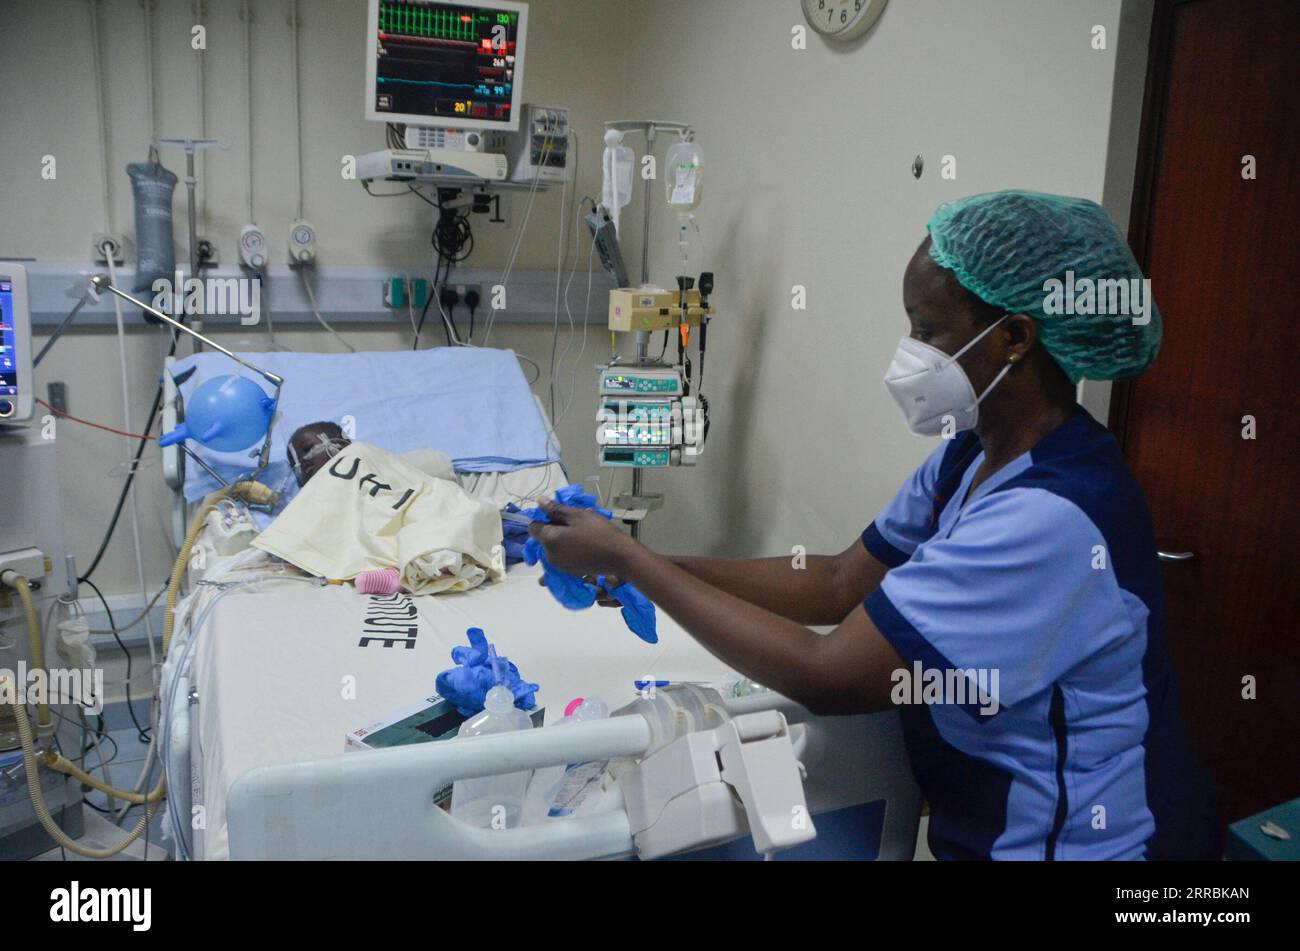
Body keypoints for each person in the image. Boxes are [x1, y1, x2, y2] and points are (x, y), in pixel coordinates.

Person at [527, 190, 1218, 861]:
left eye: (927, 329)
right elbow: (835, 580)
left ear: (1013, 338)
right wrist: (629, 561)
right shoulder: (970, 455)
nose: (910, 351)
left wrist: (633, 558)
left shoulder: (1053, 515)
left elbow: (828, 673)